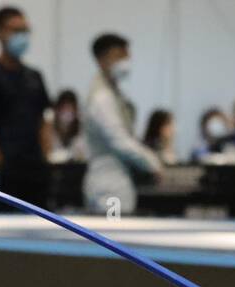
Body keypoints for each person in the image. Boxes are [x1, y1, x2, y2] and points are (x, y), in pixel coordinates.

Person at [0, 5, 52, 207]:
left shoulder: (34, 76)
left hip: (36, 167)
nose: (22, 36)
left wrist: (45, 156)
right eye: (15, 31)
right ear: (0, 33)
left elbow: (43, 119)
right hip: (7, 169)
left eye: (25, 31)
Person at [81, 32, 160, 215]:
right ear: (101, 60)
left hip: (115, 180)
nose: (124, 62)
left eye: (126, 57)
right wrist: (152, 163)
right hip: (109, 185)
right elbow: (119, 141)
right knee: (110, 239)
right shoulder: (101, 97)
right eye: (119, 57)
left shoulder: (114, 94)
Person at [49, 88, 85, 162]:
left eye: (70, 109)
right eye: (64, 108)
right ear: (57, 110)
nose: (67, 113)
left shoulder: (81, 130)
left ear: (75, 111)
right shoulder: (49, 130)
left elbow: (82, 155)